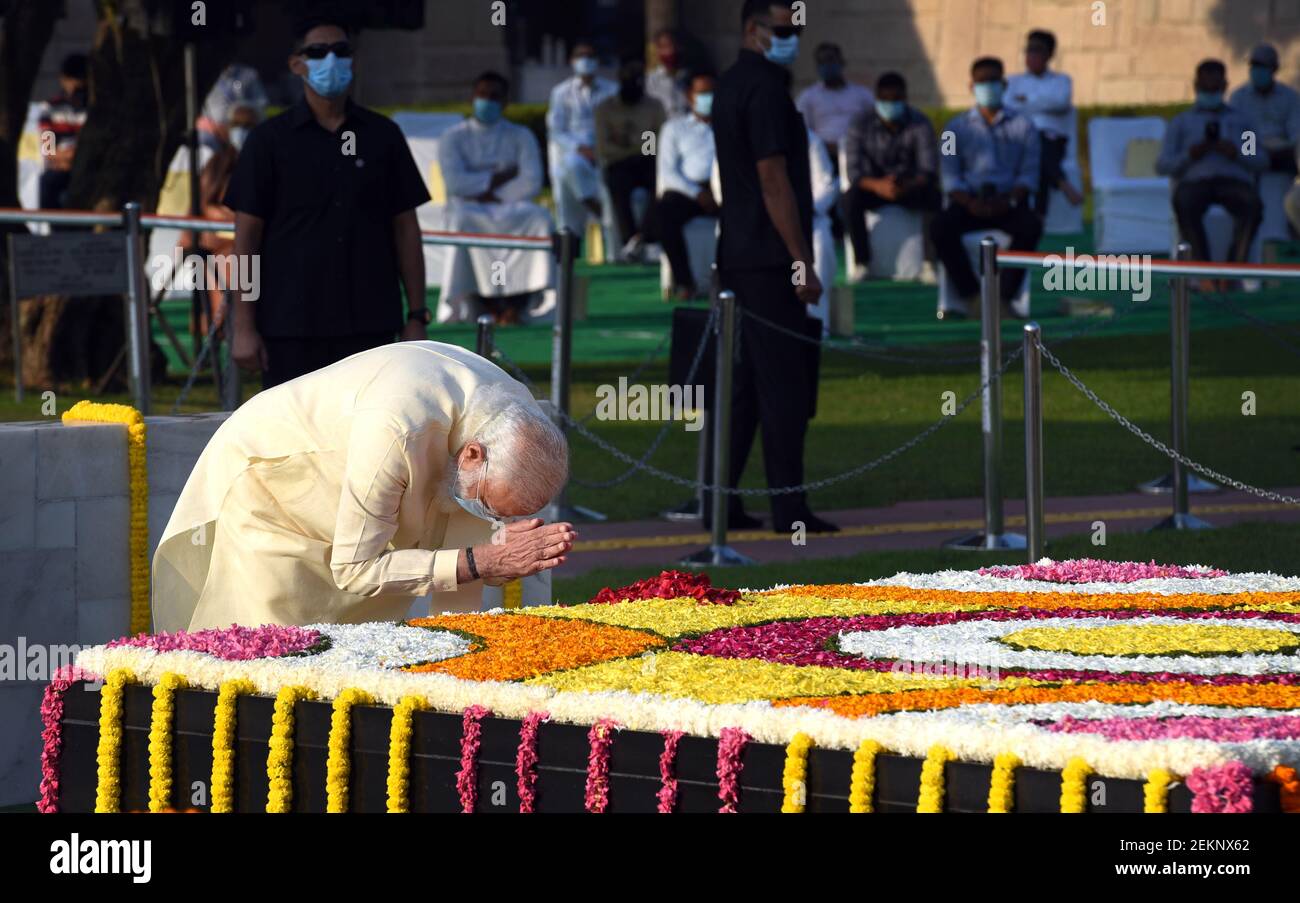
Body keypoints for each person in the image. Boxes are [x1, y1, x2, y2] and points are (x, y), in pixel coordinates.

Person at [151, 340, 577, 631]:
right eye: (490, 508)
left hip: (356, 504)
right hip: (275, 497)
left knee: (358, 662)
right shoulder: (397, 429)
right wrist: (481, 561)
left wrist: (496, 555)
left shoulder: (509, 415)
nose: (493, 521)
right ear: (471, 455)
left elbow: (470, 550)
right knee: (277, 659)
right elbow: (354, 569)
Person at [224, 15, 431, 389]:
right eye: (318, 52)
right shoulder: (268, 141)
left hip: (370, 324)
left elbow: (406, 231)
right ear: (297, 64)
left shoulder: (384, 136)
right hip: (290, 327)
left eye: (341, 50)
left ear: (354, 59)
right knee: (292, 442)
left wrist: (417, 315)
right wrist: (243, 325)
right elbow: (246, 242)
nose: (330, 59)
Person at [712, 0, 837, 534]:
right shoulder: (766, 88)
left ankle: (722, 503)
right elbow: (773, 180)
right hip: (770, 258)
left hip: (739, 253)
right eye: (783, 29)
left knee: (742, 387)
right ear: (753, 29)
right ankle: (789, 506)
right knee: (783, 386)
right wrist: (802, 261)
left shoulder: (729, 83)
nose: (792, 37)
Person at [437, 71, 554, 325]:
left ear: (505, 102)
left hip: (511, 208)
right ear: (472, 98)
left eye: (494, 96)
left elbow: (531, 182)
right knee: (461, 221)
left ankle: (518, 303)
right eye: (482, 95)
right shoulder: (453, 137)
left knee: (540, 217)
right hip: (469, 209)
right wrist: (497, 178)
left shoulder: (521, 135)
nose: (487, 101)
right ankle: (478, 304)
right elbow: (455, 182)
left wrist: (488, 191)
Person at [931, 57, 1042, 320]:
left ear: (1004, 84)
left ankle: (1002, 299)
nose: (988, 87)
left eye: (993, 81)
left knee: (1031, 226)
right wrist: (970, 203)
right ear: (971, 86)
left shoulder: (1025, 127)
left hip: (1007, 202)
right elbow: (949, 177)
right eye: (982, 82)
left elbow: (1029, 175)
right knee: (939, 227)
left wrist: (1009, 200)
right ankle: (971, 297)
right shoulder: (952, 130)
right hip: (969, 202)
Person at [1157, 59, 1265, 283]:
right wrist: (1190, 155)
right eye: (1205, 88)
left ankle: (1232, 272)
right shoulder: (1182, 123)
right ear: (1196, 86)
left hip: (1232, 180)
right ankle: (1205, 273)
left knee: (1252, 205)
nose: (1210, 93)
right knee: (1184, 201)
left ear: (1225, 87)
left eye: (1215, 88)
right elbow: (1163, 165)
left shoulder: (1241, 122)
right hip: (1196, 181)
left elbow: (1259, 160)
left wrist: (1237, 154)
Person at [839, 71, 941, 280]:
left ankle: (929, 264)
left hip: (910, 187)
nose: (890, 104)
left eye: (896, 100)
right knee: (849, 199)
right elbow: (854, 173)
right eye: (885, 100)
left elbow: (928, 170)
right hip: (873, 188)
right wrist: (878, 186)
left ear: (905, 99)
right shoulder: (859, 124)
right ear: (877, 100)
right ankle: (862, 263)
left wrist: (907, 185)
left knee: (934, 196)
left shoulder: (920, 122)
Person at [643, 72, 718, 300]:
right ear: (690, 96)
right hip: (690, 192)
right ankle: (685, 282)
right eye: (702, 93)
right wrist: (698, 194)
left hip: (723, 191)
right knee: (664, 212)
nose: (708, 98)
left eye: (711, 93)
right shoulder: (674, 128)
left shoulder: (731, 126)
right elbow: (667, 172)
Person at [1005, 30, 1084, 215]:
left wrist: (1026, 100)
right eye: (1029, 50)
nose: (1031, 55)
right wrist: (1042, 102)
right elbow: (1009, 106)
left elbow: (1061, 103)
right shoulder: (1012, 81)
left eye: (1037, 50)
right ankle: (1060, 183)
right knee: (1034, 150)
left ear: (1049, 55)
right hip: (1020, 138)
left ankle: (1031, 215)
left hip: (1053, 140)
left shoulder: (1061, 80)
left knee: (1038, 147)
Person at [594, 58, 666, 261]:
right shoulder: (605, 108)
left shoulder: (653, 106)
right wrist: (638, 142)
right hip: (619, 164)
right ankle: (630, 239)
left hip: (647, 161)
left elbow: (655, 143)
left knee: (659, 185)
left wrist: (627, 141)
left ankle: (644, 237)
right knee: (618, 185)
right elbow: (605, 148)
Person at [546, 42, 618, 238]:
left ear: (597, 61)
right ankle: (596, 208)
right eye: (581, 56)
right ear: (572, 61)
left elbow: (618, 125)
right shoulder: (560, 92)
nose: (585, 60)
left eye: (590, 56)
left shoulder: (612, 90)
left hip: (605, 152)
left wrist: (602, 149)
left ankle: (611, 224)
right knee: (572, 165)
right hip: (575, 152)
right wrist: (579, 148)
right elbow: (556, 130)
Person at [1228, 44, 1300, 179]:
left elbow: (1296, 133)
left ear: (1274, 68)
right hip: (1247, 157)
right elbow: (1234, 131)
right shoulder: (1239, 97)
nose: (1257, 71)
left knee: (1273, 198)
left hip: (1279, 160)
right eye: (1254, 66)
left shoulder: (1290, 97)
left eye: (1262, 66)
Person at [795, 42, 874, 165]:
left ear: (842, 62)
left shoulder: (862, 94)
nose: (827, 65)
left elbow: (873, 125)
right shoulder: (808, 97)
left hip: (857, 156)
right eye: (822, 62)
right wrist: (825, 146)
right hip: (822, 157)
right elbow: (803, 132)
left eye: (831, 60)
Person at [36, 53, 89, 210]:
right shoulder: (49, 109)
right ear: (63, 79)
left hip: (86, 172)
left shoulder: (94, 112)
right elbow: (48, 149)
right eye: (73, 81)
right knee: (48, 181)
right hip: (59, 173)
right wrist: (68, 157)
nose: (77, 89)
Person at [646, 28, 690, 117]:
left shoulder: (687, 76)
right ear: (657, 50)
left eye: (672, 45)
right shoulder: (651, 79)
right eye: (664, 46)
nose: (670, 51)